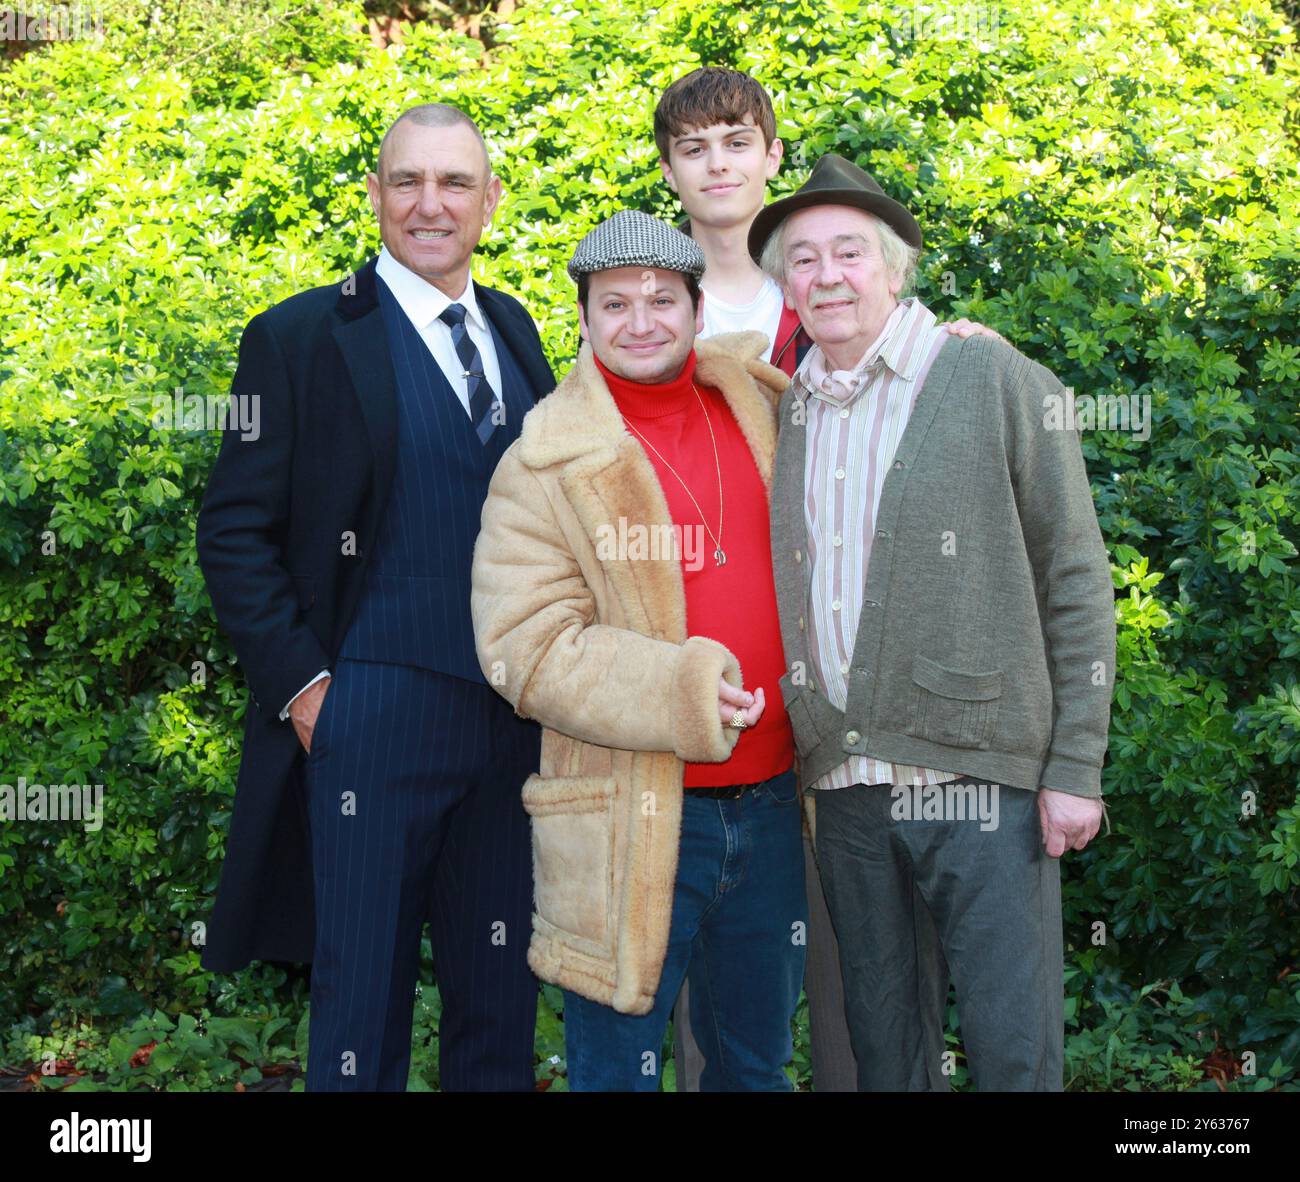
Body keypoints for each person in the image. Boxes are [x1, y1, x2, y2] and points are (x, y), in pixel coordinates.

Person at [655, 65, 1001, 1091]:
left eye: (735, 142)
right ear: (670, 170)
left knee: (869, 950)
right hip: (712, 672)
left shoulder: (827, 285)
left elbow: (923, 393)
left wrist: (966, 350)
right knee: (713, 947)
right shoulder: (645, 305)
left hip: (848, 669)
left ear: (771, 155)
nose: (716, 164)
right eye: (692, 148)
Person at [195, 103, 554, 1091]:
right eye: (407, 181)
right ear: (376, 195)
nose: (428, 204)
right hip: (370, 720)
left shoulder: (517, 329)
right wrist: (309, 691)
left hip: (510, 730)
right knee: (360, 1015)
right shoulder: (296, 336)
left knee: (501, 1006)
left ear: (489, 201)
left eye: (453, 183)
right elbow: (231, 530)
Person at [752, 152, 1116, 1090]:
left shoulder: (993, 376)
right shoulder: (794, 411)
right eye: (803, 259)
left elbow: (1074, 573)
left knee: (1012, 1049)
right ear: (785, 286)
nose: (826, 274)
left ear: (897, 265)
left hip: (981, 778)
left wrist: (1075, 766)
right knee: (886, 1053)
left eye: (848, 252)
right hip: (847, 791)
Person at [471, 210, 805, 1090]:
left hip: (774, 802)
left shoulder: (764, 403)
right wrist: (682, 689)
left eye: (663, 299)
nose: (642, 320)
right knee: (618, 1072)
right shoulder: (544, 458)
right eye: (615, 304)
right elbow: (523, 648)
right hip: (634, 810)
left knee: (755, 1067)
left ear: (698, 308)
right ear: (584, 319)